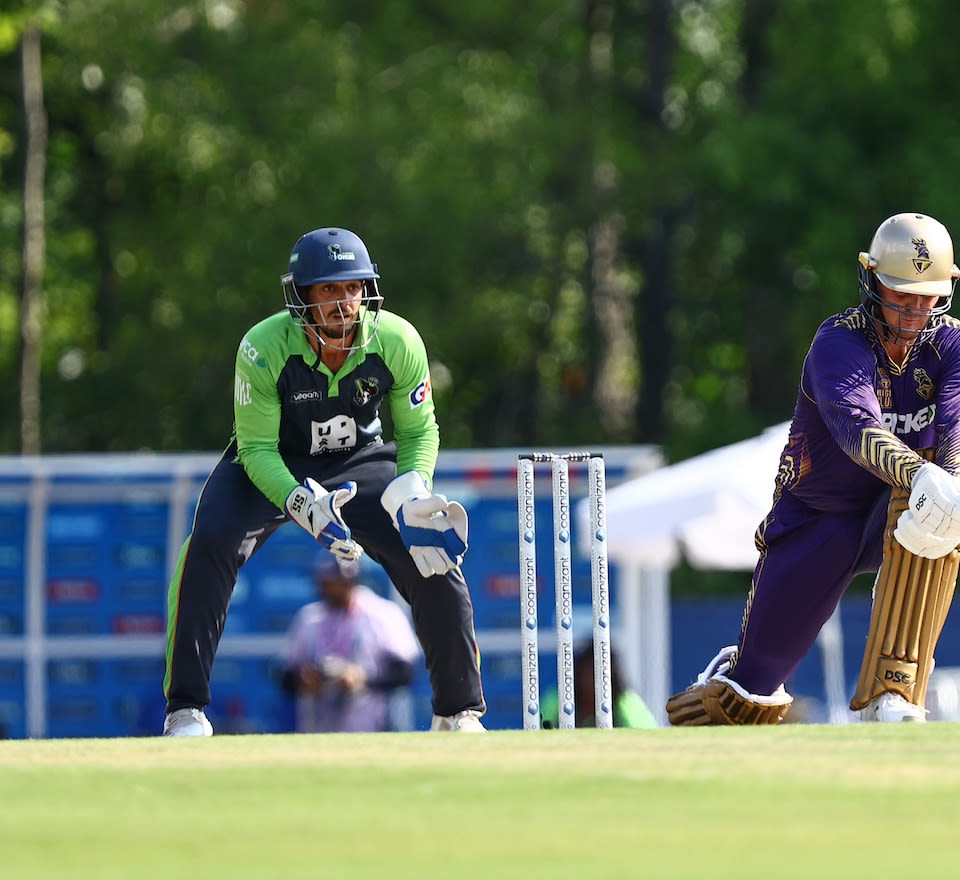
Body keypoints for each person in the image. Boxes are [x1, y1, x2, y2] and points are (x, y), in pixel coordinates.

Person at [666, 212, 960, 726]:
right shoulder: (838, 341)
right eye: (900, 293)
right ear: (872, 279)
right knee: (749, 700)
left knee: (933, 516)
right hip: (818, 515)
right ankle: (724, 681)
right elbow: (859, 433)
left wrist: (951, 481)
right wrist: (926, 477)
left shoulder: (959, 345)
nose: (914, 310)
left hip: (891, 508)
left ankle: (893, 689)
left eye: (926, 295)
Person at [162, 226, 487, 736]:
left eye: (354, 287)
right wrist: (296, 500)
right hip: (273, 461)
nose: (345, 302)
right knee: (208, 544)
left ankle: (457, 711)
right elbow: (256, 448)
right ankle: (186, 709)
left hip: (359, 459)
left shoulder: (398, 340)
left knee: (433, 555)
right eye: (329, 289)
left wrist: (413, 490)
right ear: (302, 297)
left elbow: (421, 430)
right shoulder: (263, 347)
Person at [280, 556, 423, 733]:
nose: (321, 585)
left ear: (347, 578)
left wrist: (362, 680)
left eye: (328, 580)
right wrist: (304, 679)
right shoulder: (309, 617)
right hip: (317, 730)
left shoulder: (382, 613)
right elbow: (286, 678)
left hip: (373, 727)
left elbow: (405, 673)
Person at [539, 642, 658, 729]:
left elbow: (648, 736)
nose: (594, 684)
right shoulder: (558, 699)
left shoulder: (626, 702)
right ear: (577, 675)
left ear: (612, 678)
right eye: (590, 675)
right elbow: (537, 734)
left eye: (601, 676)